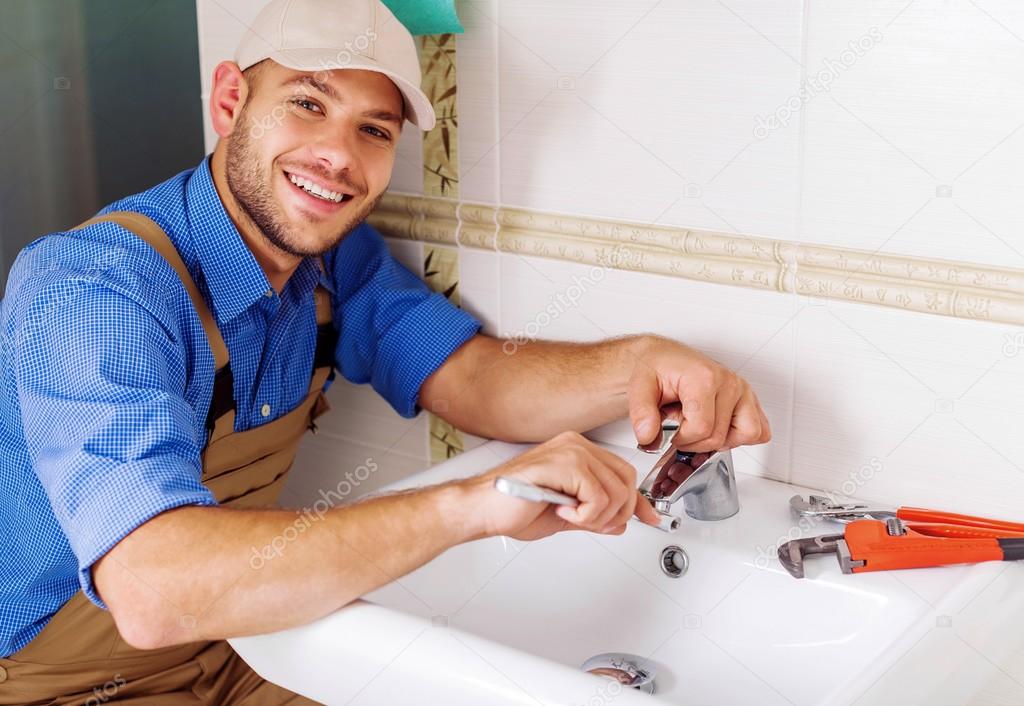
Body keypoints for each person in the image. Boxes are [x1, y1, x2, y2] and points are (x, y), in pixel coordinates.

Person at [0, 0, 771, 703]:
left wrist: (642, 364)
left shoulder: (329, 260)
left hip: (239, 647)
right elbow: (150, 589)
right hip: (55, 685)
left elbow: (474, 378)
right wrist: (476, 502)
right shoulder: (94, 290)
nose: (338, 156)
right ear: (230, 100)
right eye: (308, 103)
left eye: (373, 129)